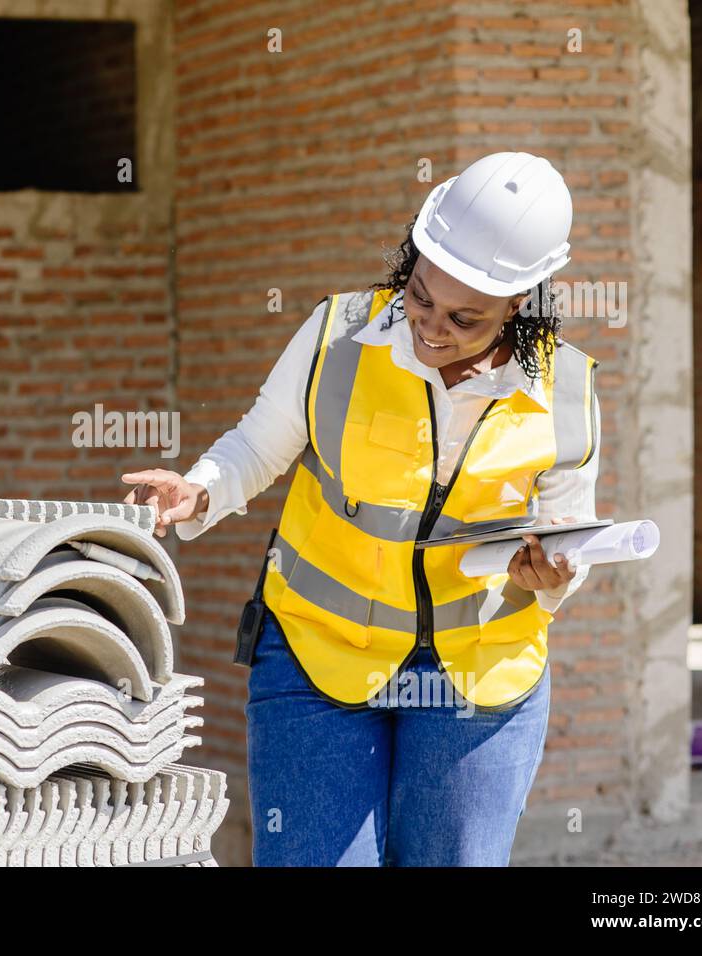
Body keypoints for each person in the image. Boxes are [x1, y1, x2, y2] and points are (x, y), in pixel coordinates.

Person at [121, 152, 600, 866]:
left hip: (479, 674)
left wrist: (555, 577)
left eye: (466, 318)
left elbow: (571, 538)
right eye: (420, 296)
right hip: (320, 654)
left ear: (519, 304)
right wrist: (201, 489)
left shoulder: (565, 390)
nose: (432, 328)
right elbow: (258, 444)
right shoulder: (336, 335)